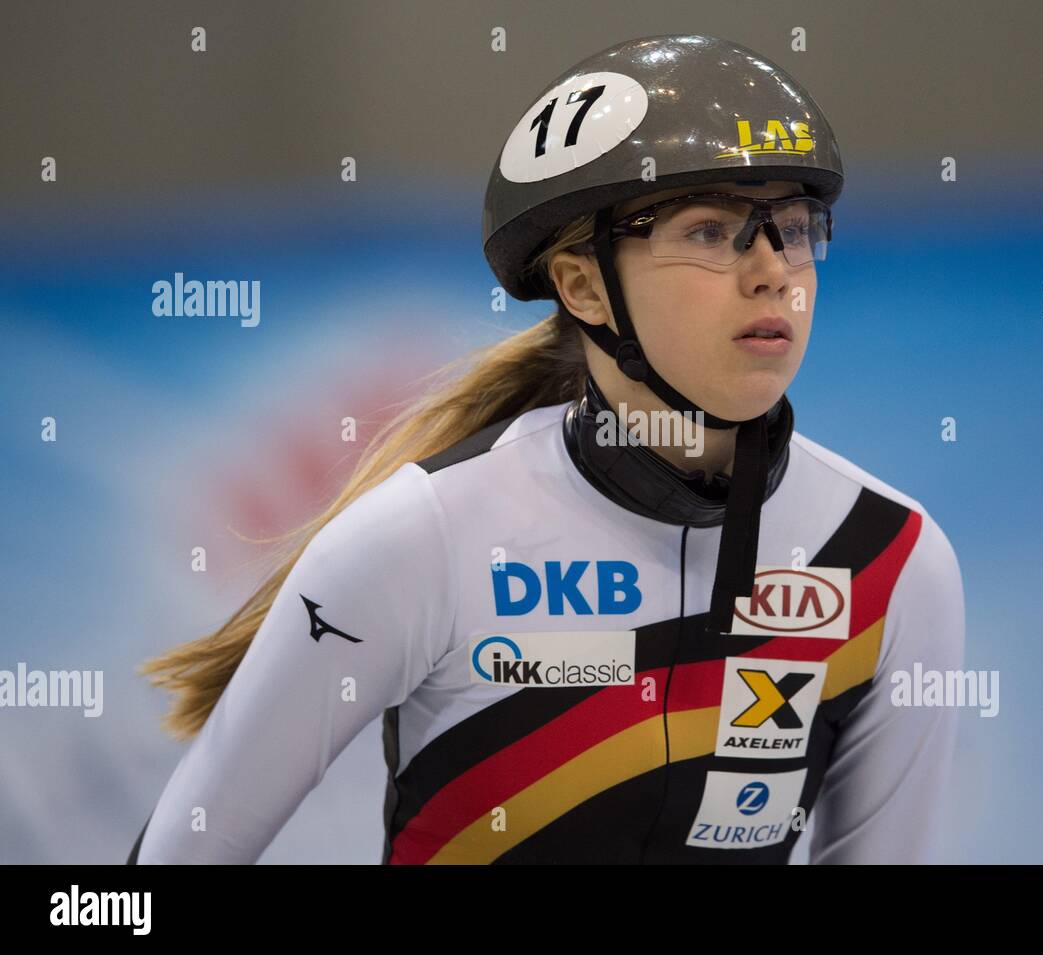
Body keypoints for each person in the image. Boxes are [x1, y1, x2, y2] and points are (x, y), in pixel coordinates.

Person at [127, 33, 964, 865]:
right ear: (583, 285)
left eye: (793, 226)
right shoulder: (422, 539)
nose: (774, 270)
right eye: (711, 232)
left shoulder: (892, 560)